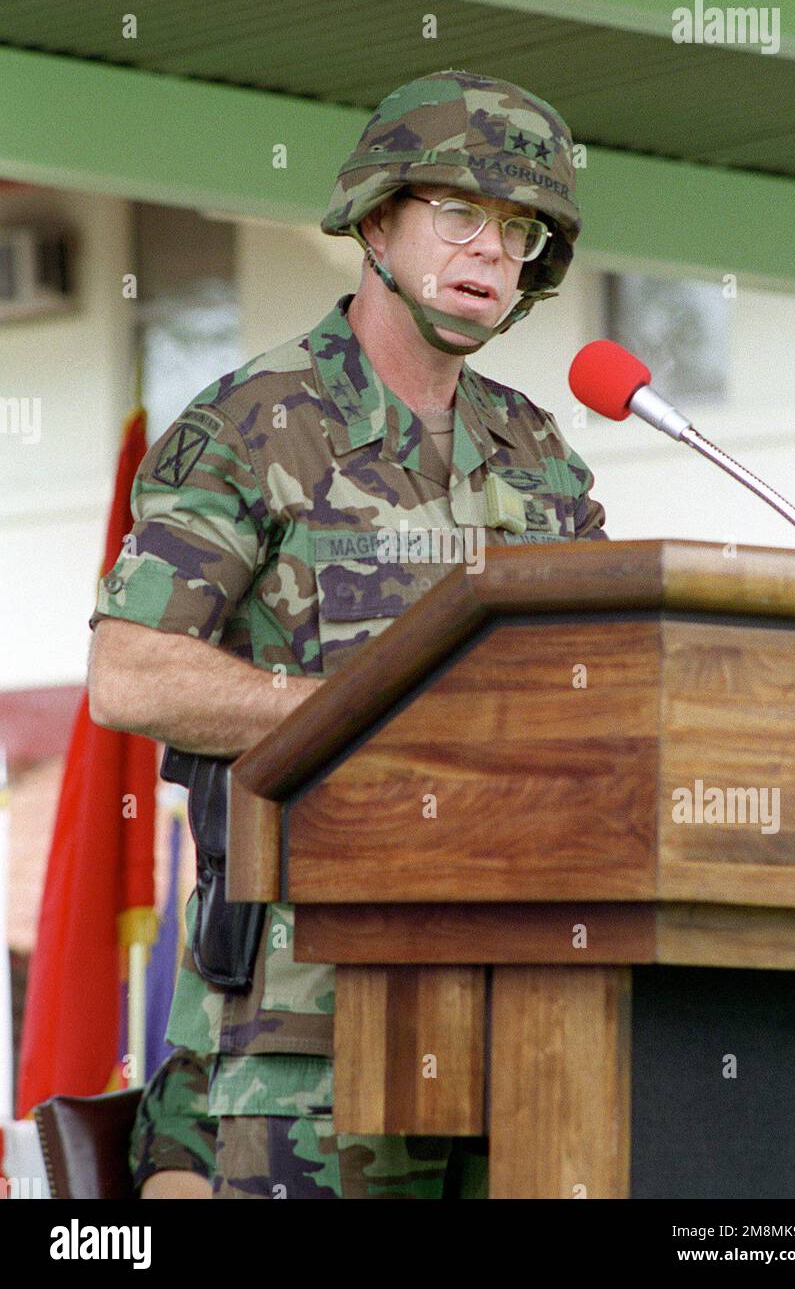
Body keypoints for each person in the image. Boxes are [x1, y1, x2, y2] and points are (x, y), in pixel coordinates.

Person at [87, 68, 608, 1199]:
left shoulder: (541, 456)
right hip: (294, 1030)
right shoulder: (253, 420)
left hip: (514, 1021)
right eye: (459, 214)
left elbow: (601, 692)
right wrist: (349, 710)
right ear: (377, 218)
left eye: (519, 231)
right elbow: (128, 674)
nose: (490, 250)